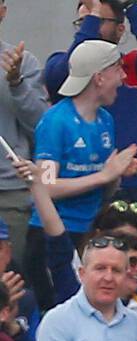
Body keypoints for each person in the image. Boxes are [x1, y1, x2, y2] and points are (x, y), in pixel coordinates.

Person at [25, 39, 137, 310]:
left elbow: (104, 188)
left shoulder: (105, 121)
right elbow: (47, 185)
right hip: (51, 238)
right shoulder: (57, 121)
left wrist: (117, 175)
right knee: (58, 310)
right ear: (99, 77)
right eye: (118, 69)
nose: (124, 78)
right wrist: (103, 176)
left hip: (87, 234)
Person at [44, 1, 137, 222]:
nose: (86, 27)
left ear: (121, 29)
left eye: (96, 20)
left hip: (129, 189)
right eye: (81, 22)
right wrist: (93, 19)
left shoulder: (128, 72)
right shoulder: (59, 69)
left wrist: (131, 5)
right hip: (73, 199)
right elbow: (46, 185)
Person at [0, 5, 48, 265]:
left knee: (10, 279)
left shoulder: (23, 61)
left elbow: (41, 125)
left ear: (3, 12)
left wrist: (16, 83)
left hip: (9, 192)